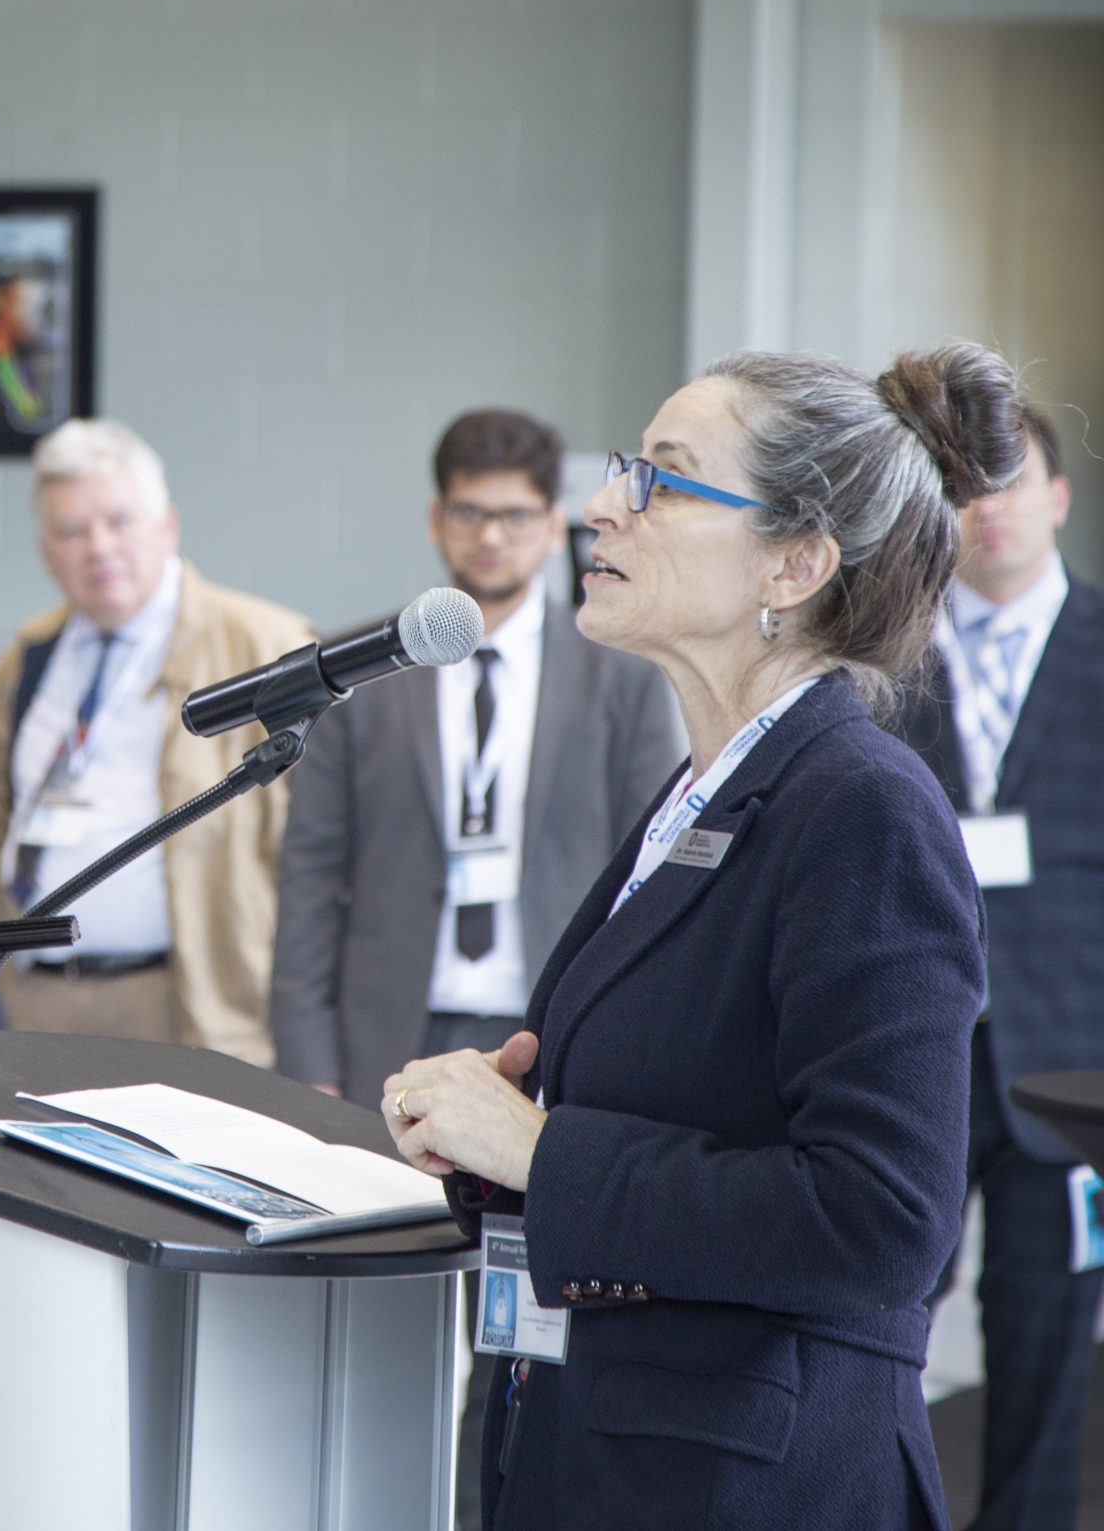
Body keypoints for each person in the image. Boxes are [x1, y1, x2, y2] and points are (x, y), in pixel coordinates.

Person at [380, 345, 1017, 1529]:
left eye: (661, 482)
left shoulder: (859, 806)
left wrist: (541, 1150)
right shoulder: (706, 791)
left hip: (754, 1482)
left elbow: (879, 1221)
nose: (598, 507)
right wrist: (480, 1138)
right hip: (620, 1451)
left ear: (794, 561)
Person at [272, 410, 681, 1110]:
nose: (491, 535)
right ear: (436, 517)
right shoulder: (358, 670)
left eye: (516, 515)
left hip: (551, 1024)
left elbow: (651, 876)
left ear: (555, 524)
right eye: (469, 511)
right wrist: (308, 1059)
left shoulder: (623, 674)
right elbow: (309, 875)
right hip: (388, 1026)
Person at [890, 403, 1101, 1531]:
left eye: (1006, 482)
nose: (985, 508)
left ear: (1056, 498)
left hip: (1070, 1065)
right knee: (879, 1315)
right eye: (961, 487)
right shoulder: (886, 656)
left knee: (1048, 1333)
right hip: (912, 1048)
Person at [0, 419, 312, 1059]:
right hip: (38, 1002)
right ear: (45, 549)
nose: (99, 547)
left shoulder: (266, 645)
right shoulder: (30, 655)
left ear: (168, 526)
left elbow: (319, 850)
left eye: (120, 521)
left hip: (187, 1005)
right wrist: (7, 943)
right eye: (72, 530)